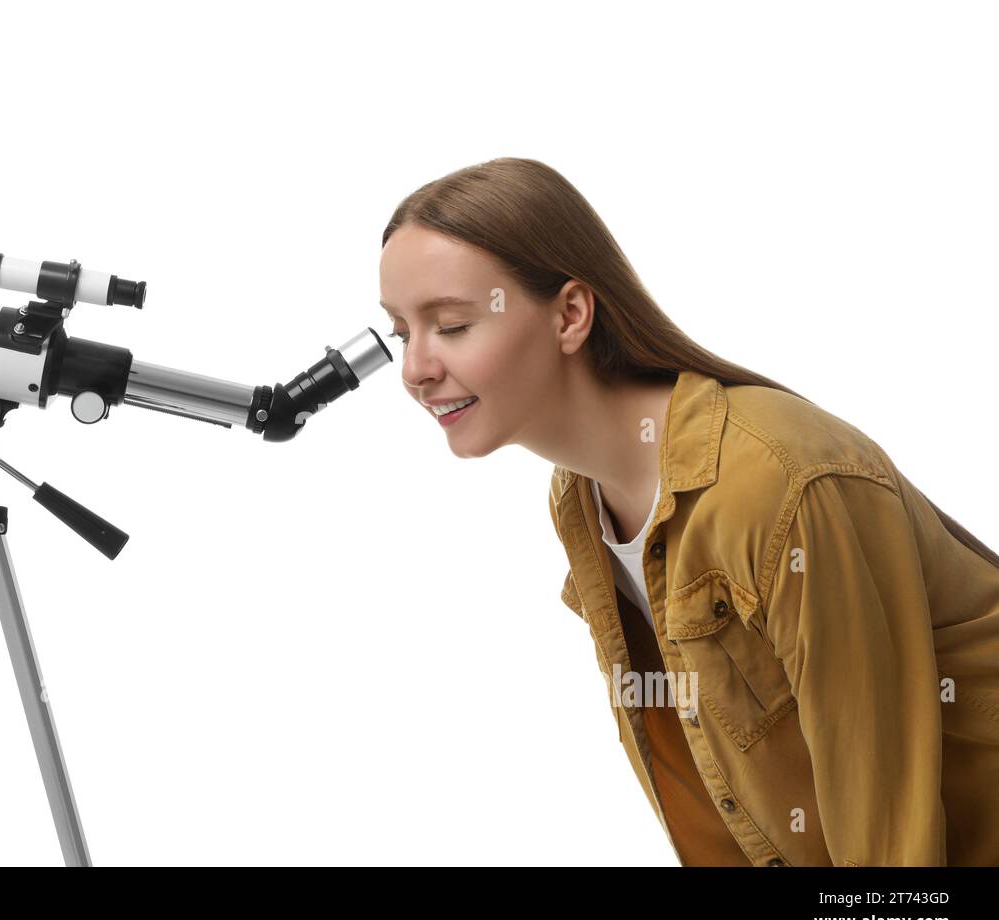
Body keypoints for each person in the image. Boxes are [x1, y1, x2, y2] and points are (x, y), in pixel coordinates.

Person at [377, 157, 999, 866]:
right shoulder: (581, 500)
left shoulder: (777, 481)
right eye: (402, 333)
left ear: (571, 314)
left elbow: (892, 851)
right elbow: (703, 784)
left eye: (452, 327)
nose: (415, 368)